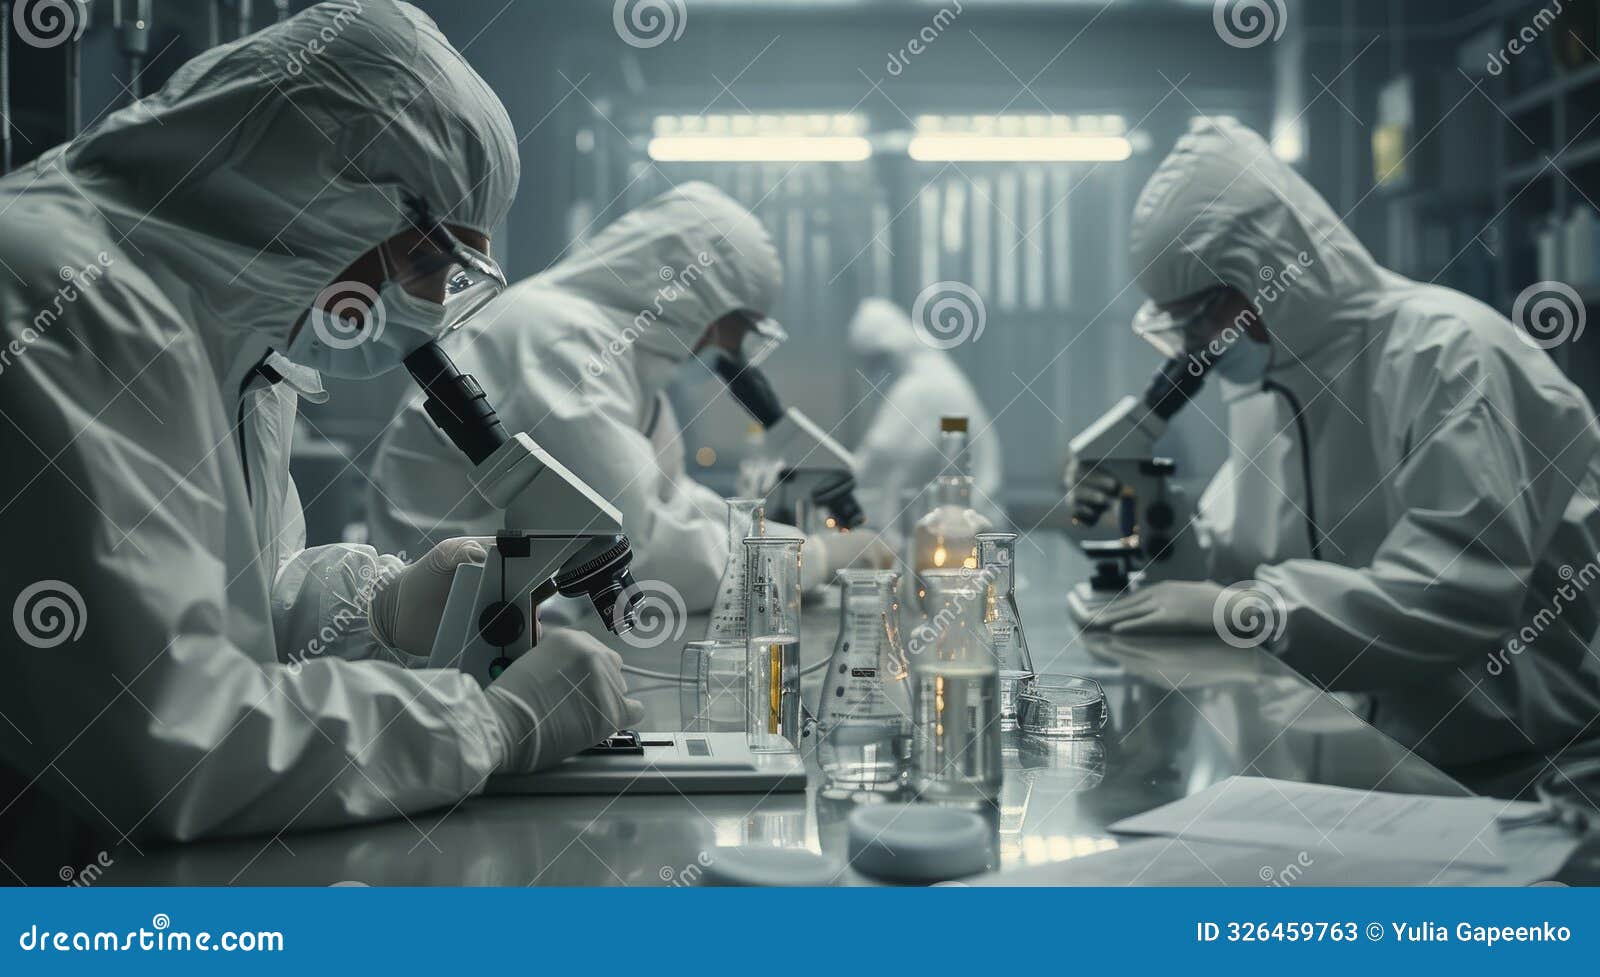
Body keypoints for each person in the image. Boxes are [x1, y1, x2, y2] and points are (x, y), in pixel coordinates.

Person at [0, 1, 640, 882]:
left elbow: (230, 612)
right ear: (326, 191)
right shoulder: (60, 294)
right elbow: (167, 740)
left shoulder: (232, 335)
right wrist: (486, 724)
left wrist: (377, 606)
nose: (425, 310)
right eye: (426, 263)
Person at [1066, 118, 1600, 795]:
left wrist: (1255, 608)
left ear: (1259, 273)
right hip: (1381, 760)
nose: (1194, 346)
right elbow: (1233, 567)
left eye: (1199, 317)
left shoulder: (1451, 355)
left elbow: (1456, 594)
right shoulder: (1273, 387)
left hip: (1526, 780)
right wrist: (1155, 515)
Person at [368, 183, 889, 612]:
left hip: (536, 619)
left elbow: (672, 499)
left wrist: (782, 543)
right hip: (454, 641)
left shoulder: (615, 354)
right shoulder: (557, 340)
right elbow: (638, 552)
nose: (720, 351)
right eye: (730, 328)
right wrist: (811, 559)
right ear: (692, 292)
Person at [848, 298, 1004, 530]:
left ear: (889, 350)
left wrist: (844, 479)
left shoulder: (920, 386)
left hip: (966, 524)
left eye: (875, 362)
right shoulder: (937, 370)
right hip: (973, 517)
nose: (875, 374)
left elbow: (881, 449)